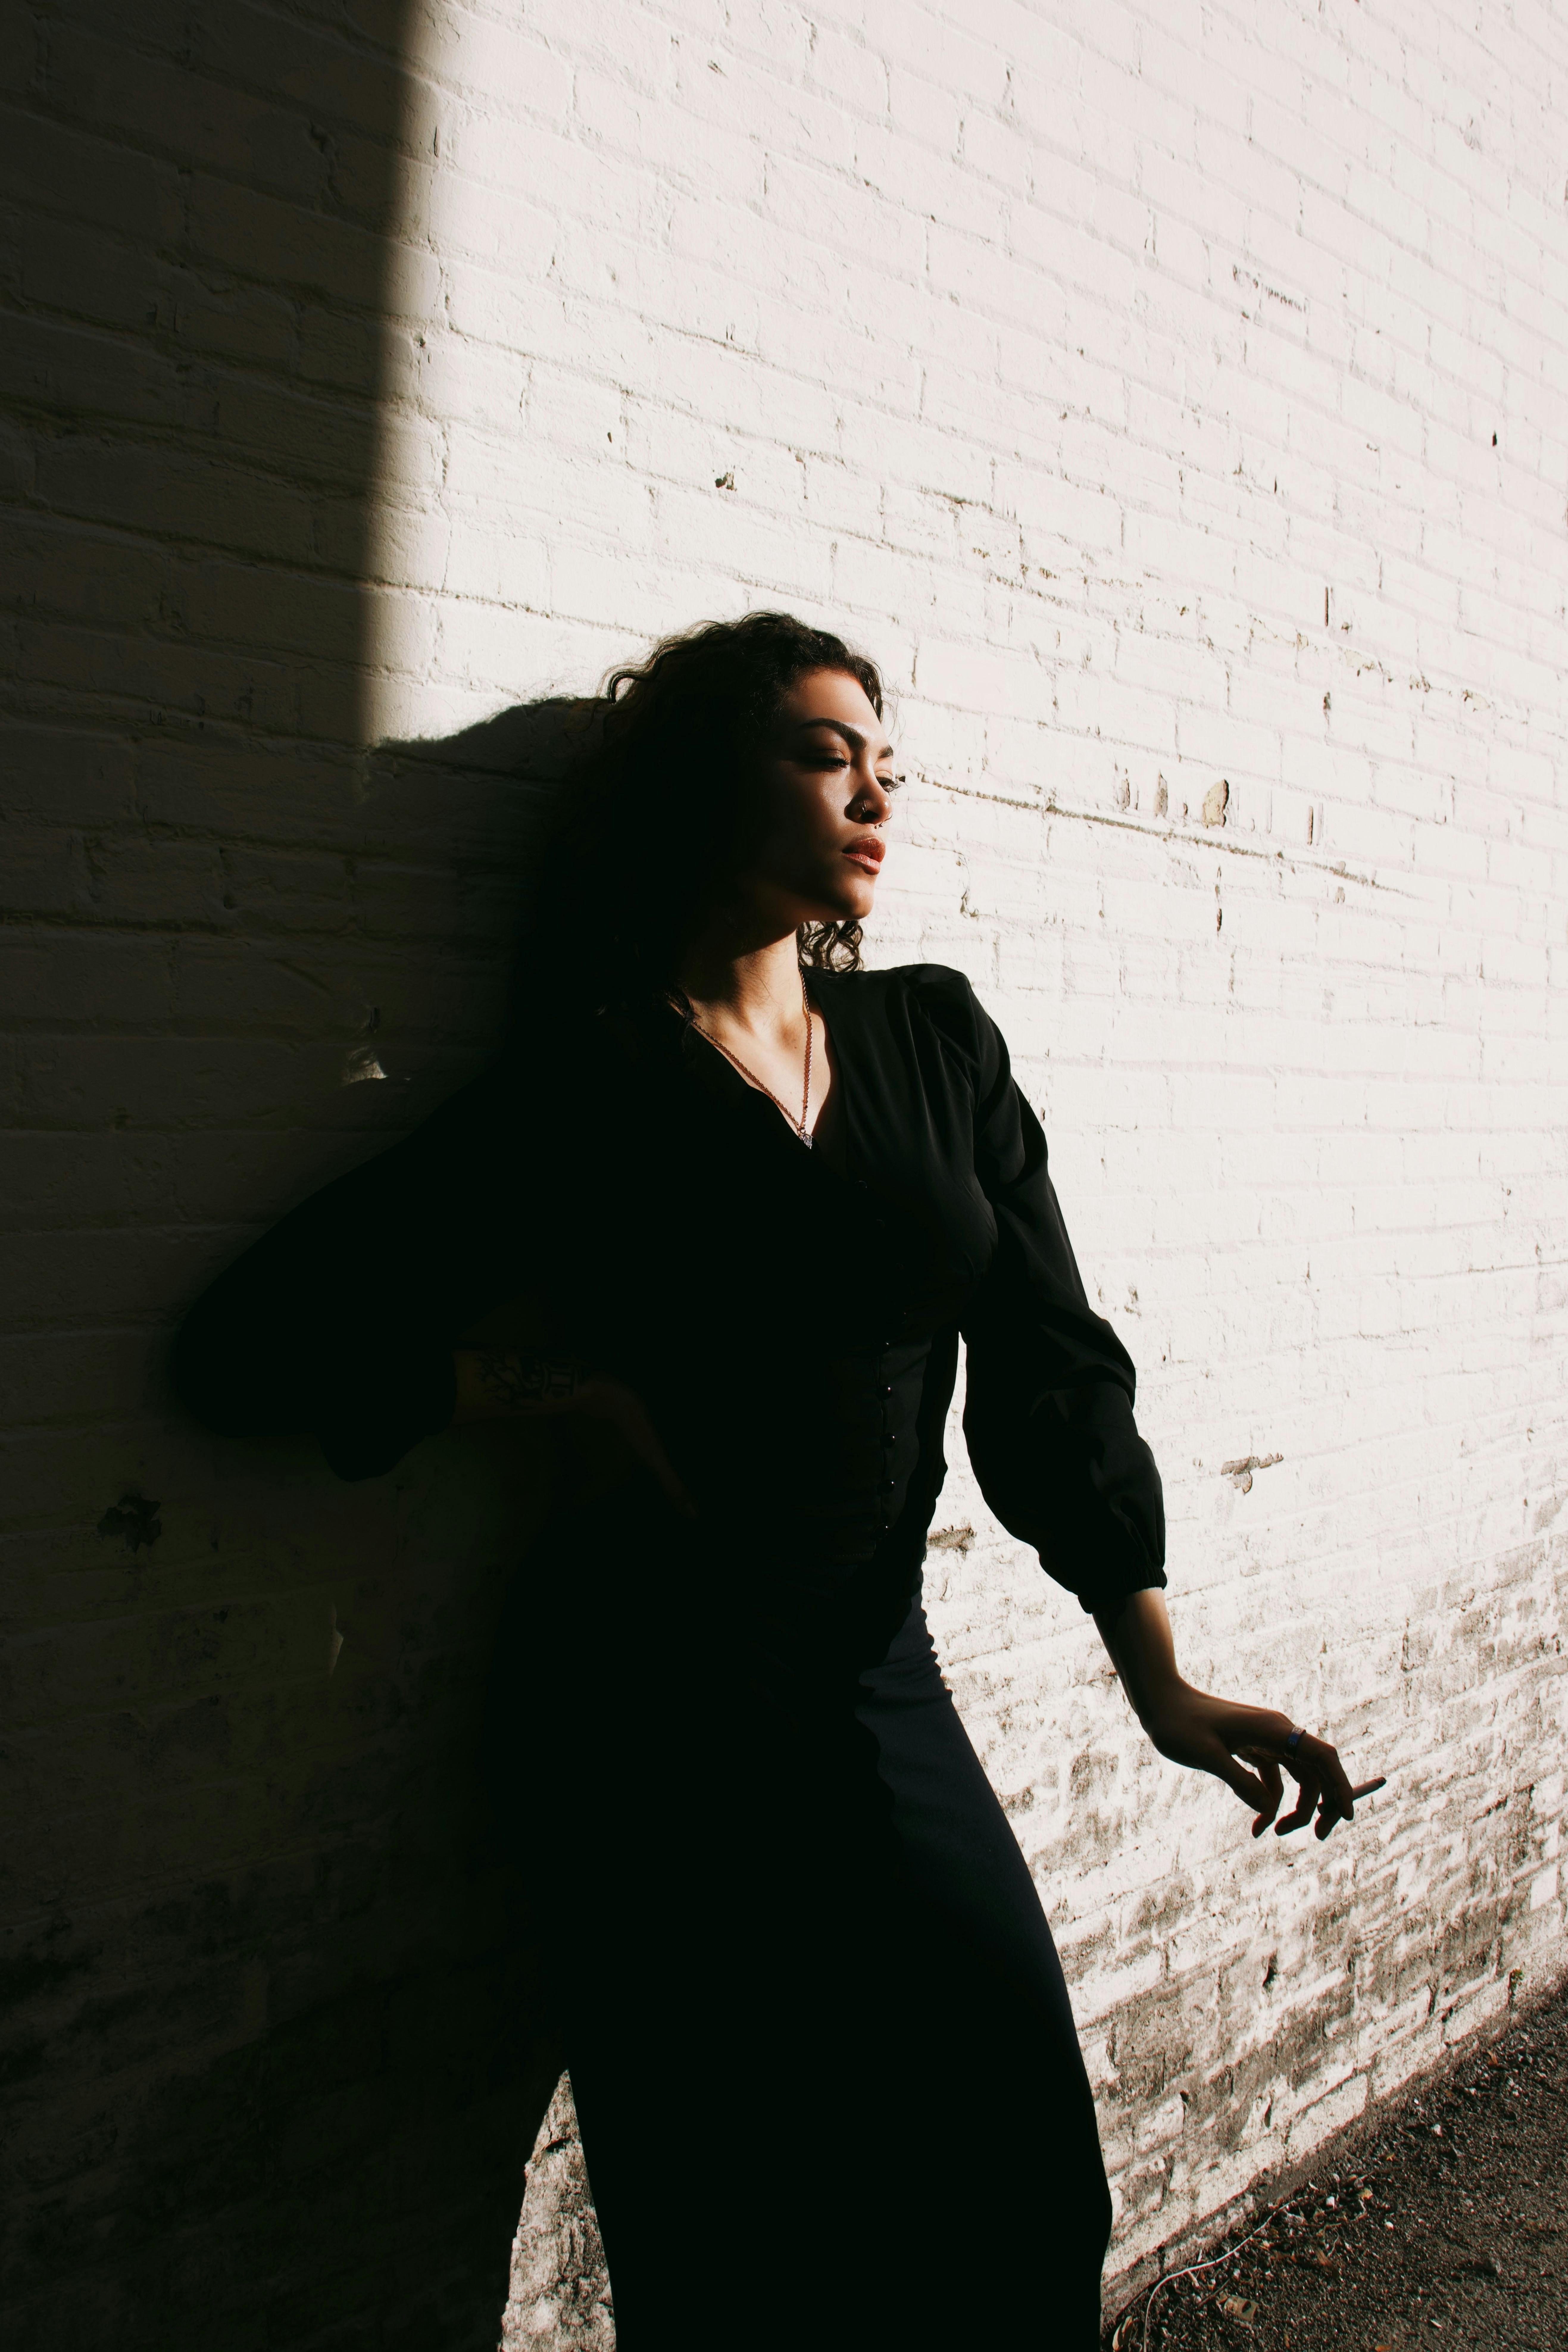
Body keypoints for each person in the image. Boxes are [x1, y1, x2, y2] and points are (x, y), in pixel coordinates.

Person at [173, 612, 1363, 2348]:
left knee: (1021, 2171)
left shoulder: (934, 1046)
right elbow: (245, 1349)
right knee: (721, 2222)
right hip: (641, 1710)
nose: (875, 787)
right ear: (704, 789)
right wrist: (539, 1381)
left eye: (887, 758)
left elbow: (1050, 1370)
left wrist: (1155, 1673)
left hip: (878, 1682)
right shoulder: (590, 1084)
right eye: (824, 751)